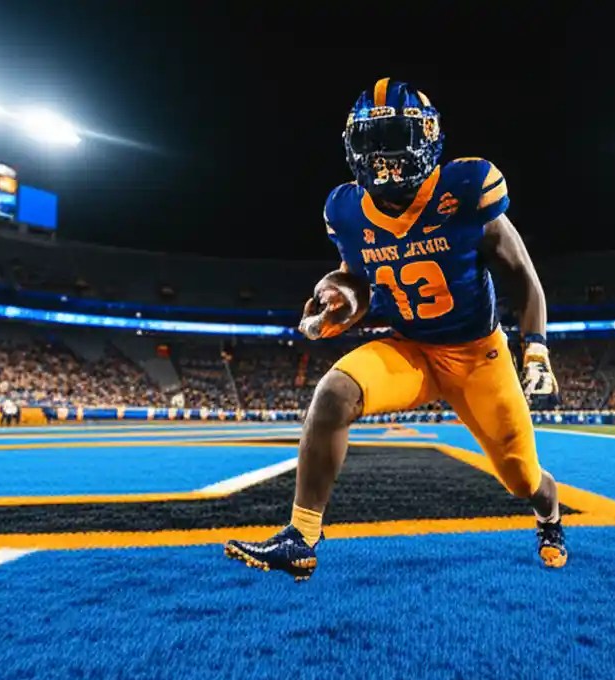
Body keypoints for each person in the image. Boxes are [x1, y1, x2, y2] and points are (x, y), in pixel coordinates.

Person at [226, 79, 566, 581]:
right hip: (411, 348)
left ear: (428, 138)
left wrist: (535, 350)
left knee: (521, 479)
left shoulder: (467, 188)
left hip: (478, 356)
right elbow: (358, 283)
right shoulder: (345, 209)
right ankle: (301, 537)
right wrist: (337, 299)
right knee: (334, 394)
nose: (383, 156)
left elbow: (523, 277)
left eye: (396, 138)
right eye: (372, 141)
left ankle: (549, 517)